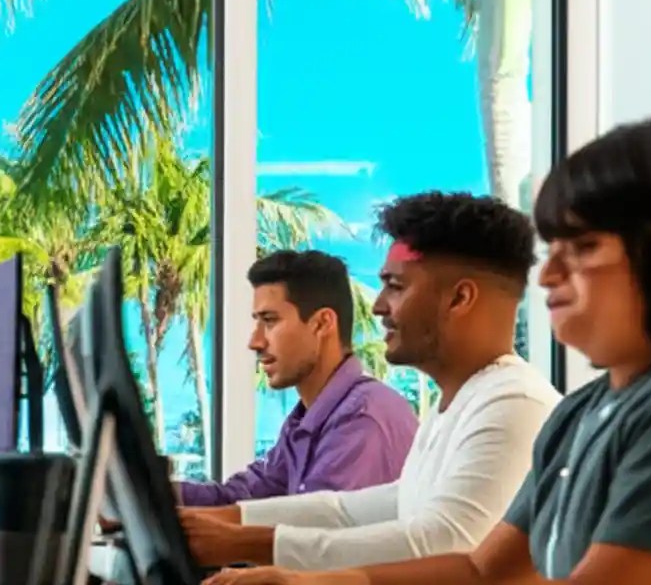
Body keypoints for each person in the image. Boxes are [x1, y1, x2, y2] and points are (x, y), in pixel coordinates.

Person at [205, 119, 651, 584]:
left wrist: (248, 541)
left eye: (584, 247)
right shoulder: (575, 415)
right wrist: (295, 574)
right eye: (553, 250)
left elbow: (443, 541)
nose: (548, 276)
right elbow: (476, 568)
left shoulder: (534, 403)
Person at [180, 192, 561, 572]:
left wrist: (246, 542)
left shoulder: (514, 403)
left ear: (459, 298)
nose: (378, 305)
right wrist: (221, 522)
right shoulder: (459, 404)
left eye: (395, 286)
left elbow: (446, 542)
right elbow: (350, 510)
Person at [179, 250, 417, 506]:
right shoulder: (309, 419)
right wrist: (155, 491)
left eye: (270, 321)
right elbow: (242, 497)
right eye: (257, 322)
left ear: (322, 323)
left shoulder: (362, 419)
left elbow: (315, 535)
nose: (255, 342)